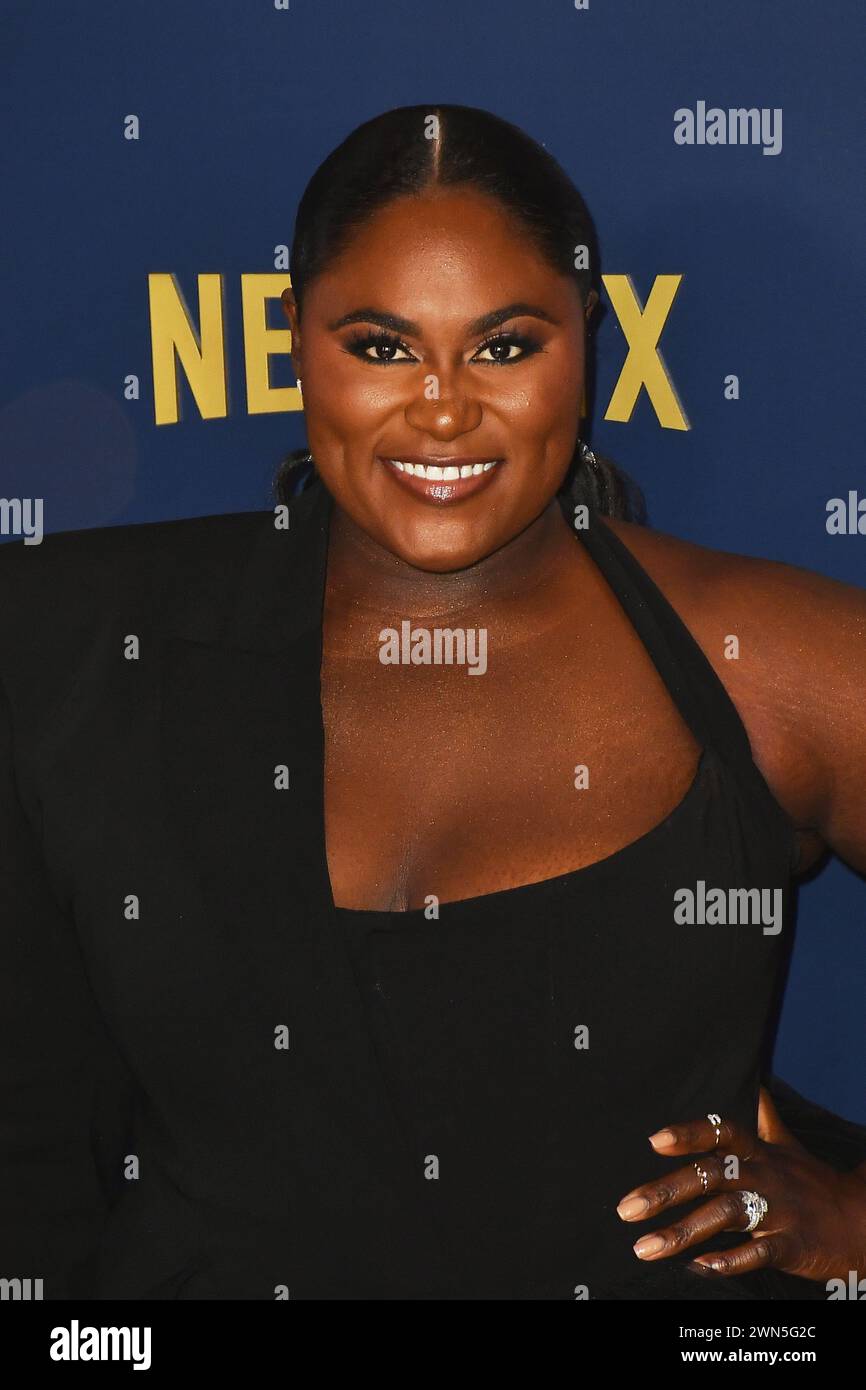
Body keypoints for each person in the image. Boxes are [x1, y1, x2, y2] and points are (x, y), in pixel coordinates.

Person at [0, 104, 864, 1301]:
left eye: (506, 345)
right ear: (293, 342)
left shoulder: (776, 662)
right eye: (381, 345)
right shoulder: (76, 645)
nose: (445, 407)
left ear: (586, 341)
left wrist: (859, 1222)